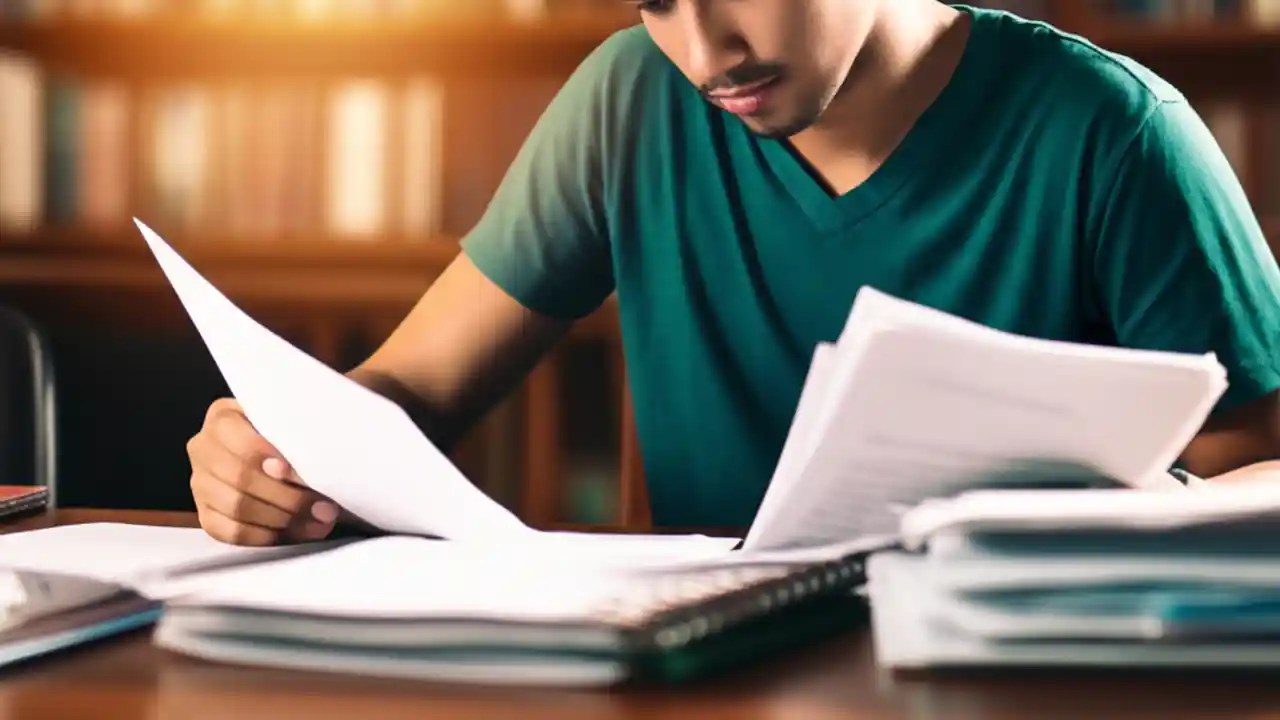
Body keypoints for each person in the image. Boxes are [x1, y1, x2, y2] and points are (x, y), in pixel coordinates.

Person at [185, 0, 1280, 545]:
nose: (707, 53)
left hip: (1008, 676)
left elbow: (1261, 467)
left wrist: (1081, 532)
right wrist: (279, 454)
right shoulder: (627, 98)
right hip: (709, 682)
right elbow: (407, 393)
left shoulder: (1112, 132)